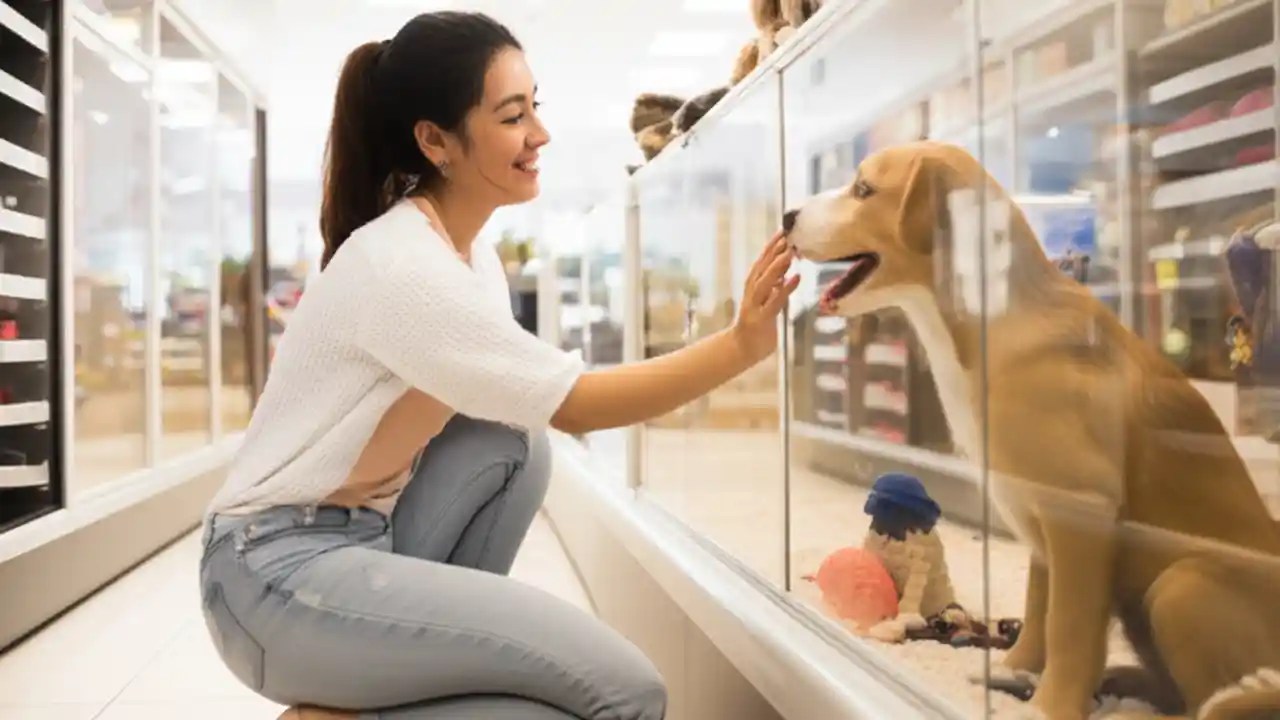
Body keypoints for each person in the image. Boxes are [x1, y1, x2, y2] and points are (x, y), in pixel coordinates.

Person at [198, 11, 798, 720]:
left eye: (534, 108)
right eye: (513, 117)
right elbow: (576, 402)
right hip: (270, 575)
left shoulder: (471, 256)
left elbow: (535, 404)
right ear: (435, 140)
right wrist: (738, 346)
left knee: (512, 441)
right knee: (627, 693)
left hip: (366, 537)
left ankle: (359, 705)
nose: (539, 134)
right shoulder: (402, 265)